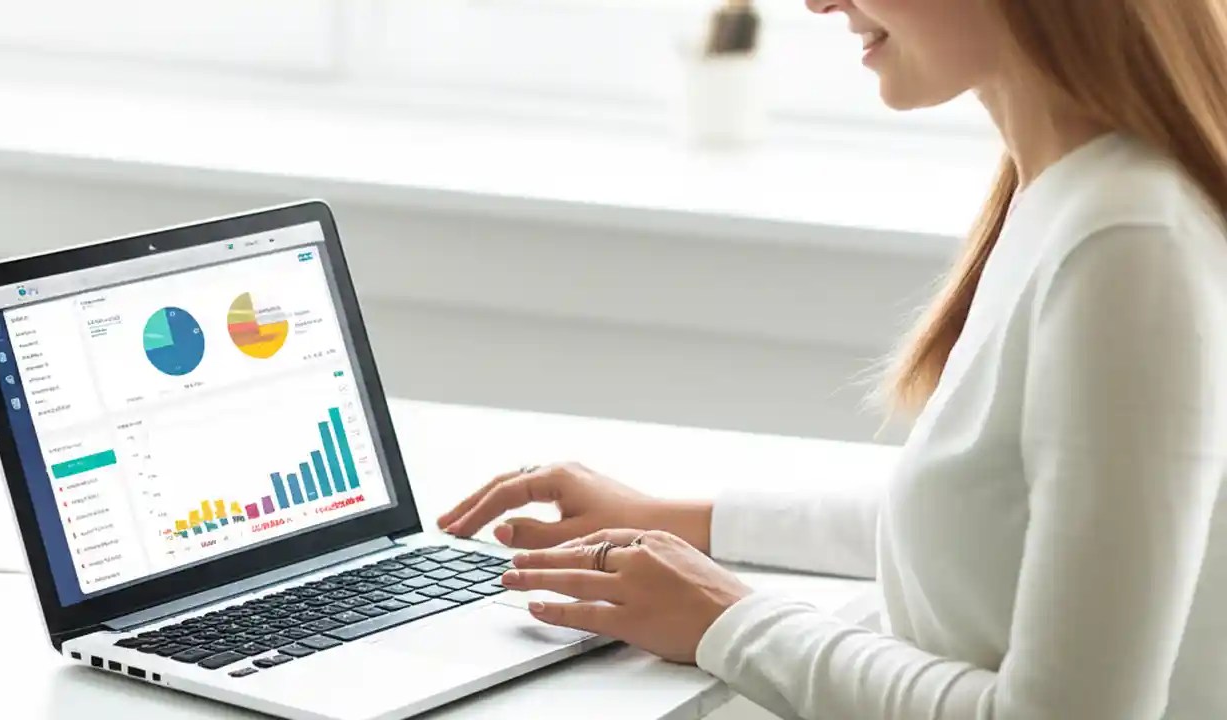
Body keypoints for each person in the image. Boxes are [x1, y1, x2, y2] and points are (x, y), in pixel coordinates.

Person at [440, 0, 1227, 717]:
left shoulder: (1128, 242)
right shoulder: (1066, 197)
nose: (816, 2)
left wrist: (727, 621)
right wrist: (676, 521)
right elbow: (981, 524)